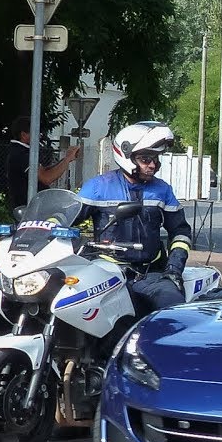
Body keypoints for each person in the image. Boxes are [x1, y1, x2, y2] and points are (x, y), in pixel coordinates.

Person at [76, 121, 193, 312]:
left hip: (152, 275)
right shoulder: (98, 187)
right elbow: (65, 221)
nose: (153, 165)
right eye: (146, 159)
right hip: (105, 273)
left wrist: (174, 269)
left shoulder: (162, 189)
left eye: (155, 159)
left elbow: (181, 232)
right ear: (126, 156)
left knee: (173, 311)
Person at [5, 115, 81, 210]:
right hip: (29, 209)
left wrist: (66, 158)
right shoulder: (21, 154)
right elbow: (46, 178)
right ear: (24, 135)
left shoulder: (22, 151)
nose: (40, 135)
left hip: (34, 207)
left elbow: (44, 171)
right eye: (35, 132)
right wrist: (67, 159)